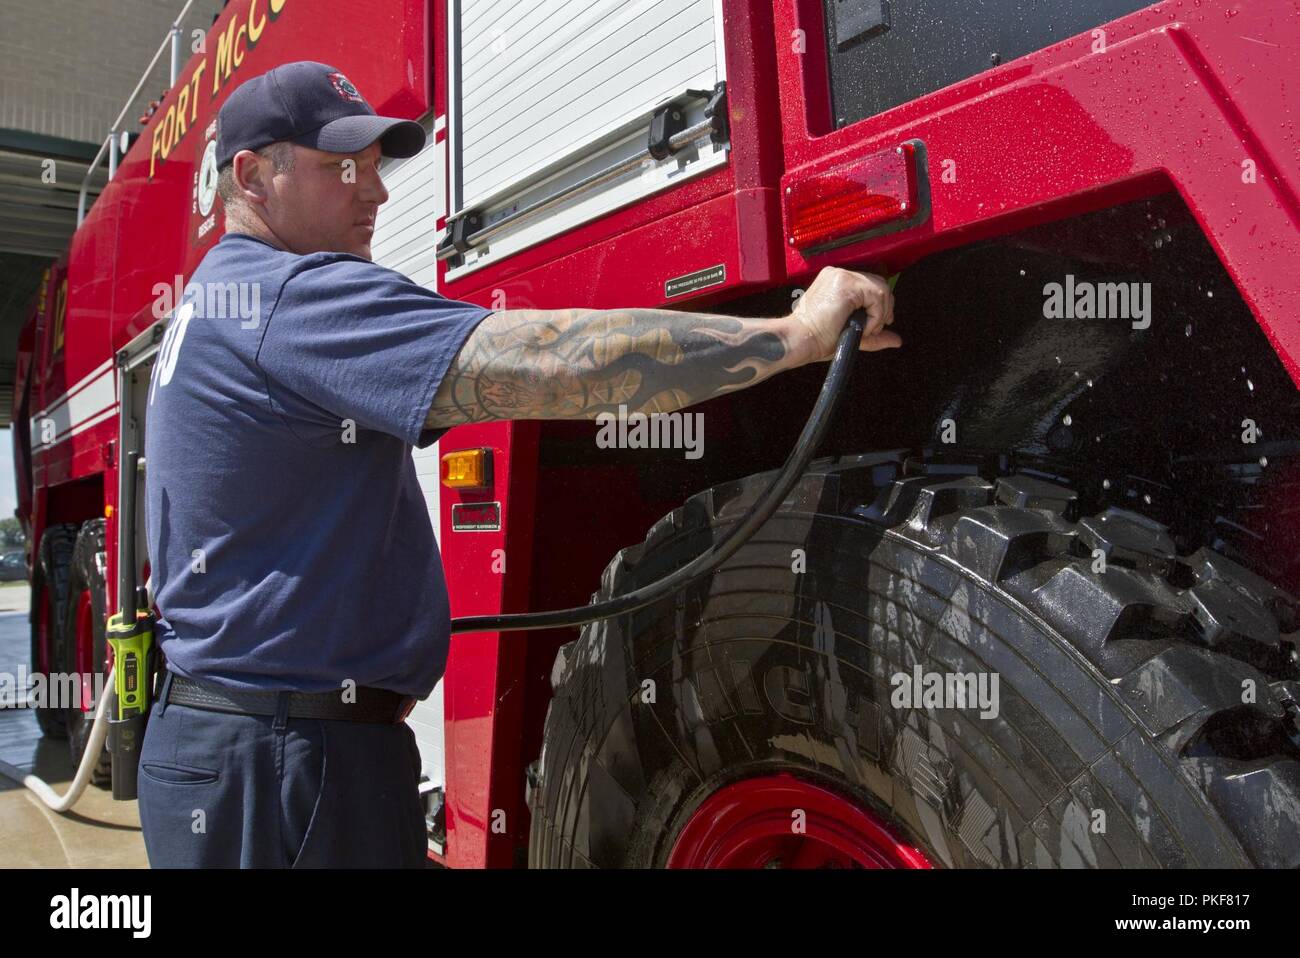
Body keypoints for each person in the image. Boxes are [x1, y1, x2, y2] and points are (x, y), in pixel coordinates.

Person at [138, 60, 900, 868]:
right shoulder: (287, 299)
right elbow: (552, 362)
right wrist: (794, 337)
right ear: (253, 176)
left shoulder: (213, 302)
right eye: (342, 168)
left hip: (233, 746)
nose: (378, 193)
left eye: (374, 167)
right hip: (282, 760)